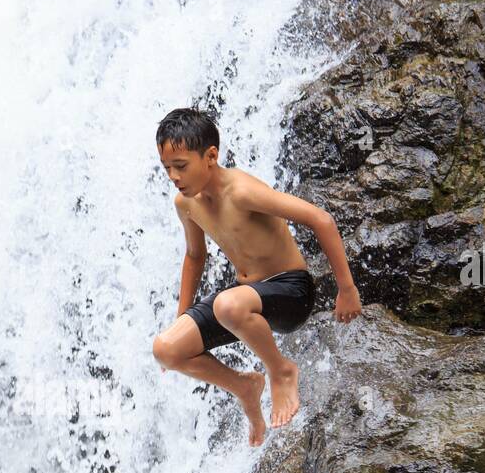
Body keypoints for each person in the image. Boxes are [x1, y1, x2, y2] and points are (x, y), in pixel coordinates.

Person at [150, 107, 362, 446]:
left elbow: (321, 220)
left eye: (181, 166)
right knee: (166, 350)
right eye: (167, 169)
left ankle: (281, 371)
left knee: (227, 305)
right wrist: (181, 318)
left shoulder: (242, 192)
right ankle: (245, 387)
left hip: (291, 292)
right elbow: (195, 255)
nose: (174, 176)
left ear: (211, 156)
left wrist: (347, 288)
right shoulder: (186, 204)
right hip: (244, 298)